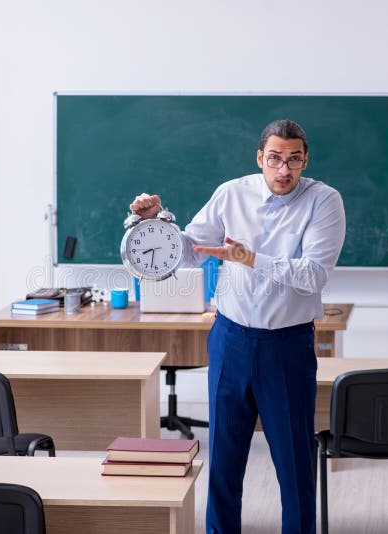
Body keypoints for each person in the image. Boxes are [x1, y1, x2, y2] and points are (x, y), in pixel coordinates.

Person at [129, 119, 346, 534]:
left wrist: (252, 258)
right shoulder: (232, 193)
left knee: (295, 467)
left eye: (294, 160)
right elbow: (190, 254)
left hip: (287, 347)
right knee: (224, 464)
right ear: (260, 158)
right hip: (231, 341)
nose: (284, 170)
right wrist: (155, 223)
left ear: (306, 160)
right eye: (276, 159)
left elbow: (315, 275)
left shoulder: (324, 201)